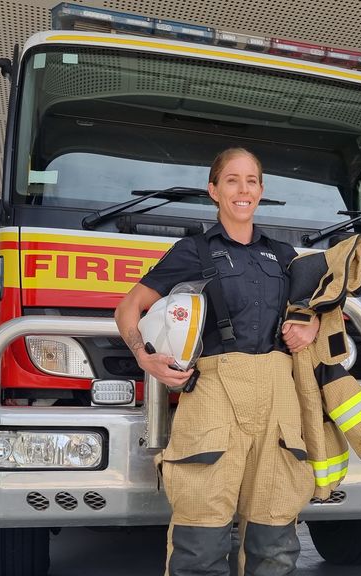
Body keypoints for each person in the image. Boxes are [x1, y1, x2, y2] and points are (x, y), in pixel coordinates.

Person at [115, 148, 320, 576]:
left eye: (251, 181)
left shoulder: (284, 256)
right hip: (213, 393)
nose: (242, 189)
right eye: (231, 180)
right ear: (214, 190)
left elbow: (315, 309)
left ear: (261, 191)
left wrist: (310, 325)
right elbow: (129, 308)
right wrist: (144, 356)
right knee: (201, 537)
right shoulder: (193, 250)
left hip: (277, 397)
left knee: (275, 540)